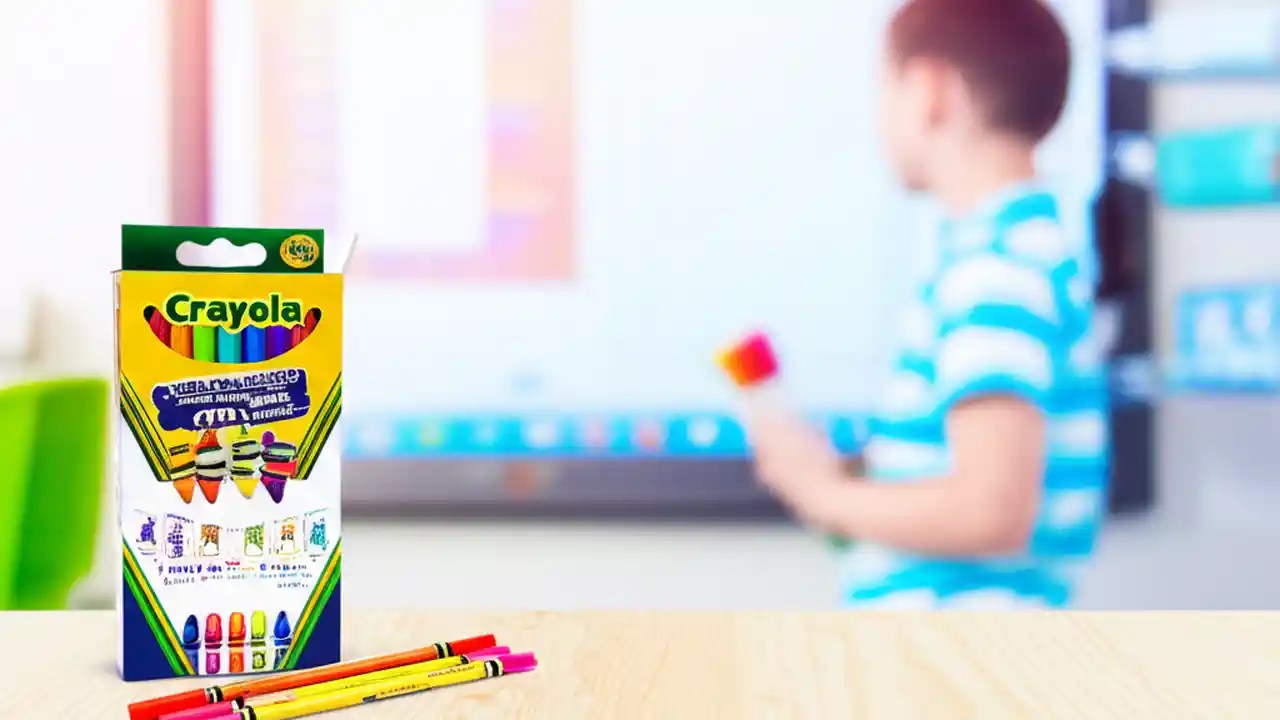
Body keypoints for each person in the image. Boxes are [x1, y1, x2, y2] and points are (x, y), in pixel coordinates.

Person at [747, 0, 1107, 608]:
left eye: (886, 89)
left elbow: (990, 511)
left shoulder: (994, 271)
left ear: (930, 92)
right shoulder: (1015, 256)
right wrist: (843, 496)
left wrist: (820, 494)